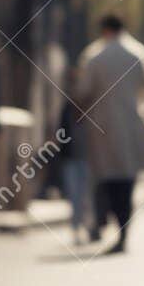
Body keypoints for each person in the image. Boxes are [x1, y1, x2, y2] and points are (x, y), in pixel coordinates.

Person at [75, 14, 144, 255]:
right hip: (132, 125)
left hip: (103, 126)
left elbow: (83, 91)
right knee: (128, 180)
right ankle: (124, 231)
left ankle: (112, 224)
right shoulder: (139, 53)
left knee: (108, 179)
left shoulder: (94, 56)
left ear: (104, 29)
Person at [54, 67, 91, 247]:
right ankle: (77, 228)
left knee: (86, 196)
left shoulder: (93, 107)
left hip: (89, 159)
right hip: (71, 159)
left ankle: (91, 226)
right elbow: (60, 134)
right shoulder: (67, 109)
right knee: (75, 195)